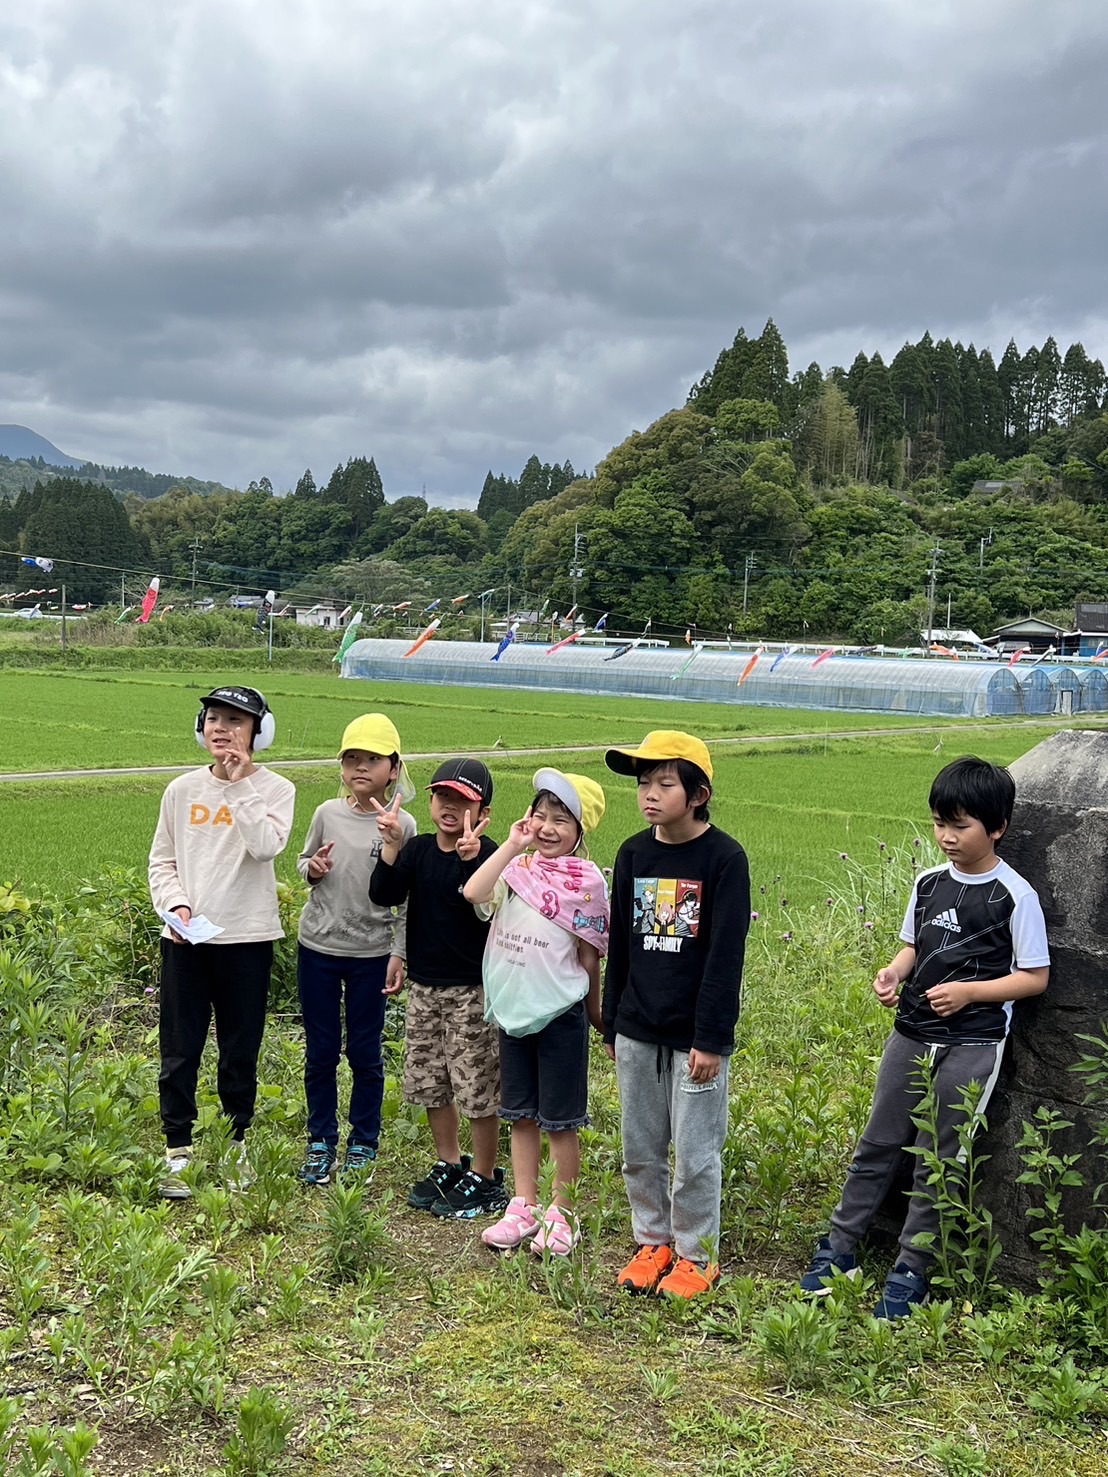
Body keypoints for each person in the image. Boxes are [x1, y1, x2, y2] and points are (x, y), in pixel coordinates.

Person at [799, 756, 1050, 1318]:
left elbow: (1034, 977)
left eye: (960, 825)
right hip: (912, 1031)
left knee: (940, 1153)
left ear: (997, 827)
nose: (946, 837)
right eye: (940, 823)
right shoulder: (928, 883)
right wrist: (893, 973)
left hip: (975, 1042)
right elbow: (914, 946)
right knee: (879, 1141)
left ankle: (912, 1267)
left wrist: (970, 993)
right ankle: (840, 1247)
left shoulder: (1015, 896)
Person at [603, 730, 750, 1298]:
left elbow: (724, 956)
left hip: (695, 1037)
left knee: (694, 1154)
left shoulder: (724, 859)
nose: (649, 794)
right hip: (638, 1027)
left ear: (698, 793)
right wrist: (613, 1020)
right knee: (639, 1146)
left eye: (665, 783)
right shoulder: (633, 853)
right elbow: (620, 941)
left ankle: (696, 1254)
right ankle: (652, 1240)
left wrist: (711, 1038)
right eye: (643, 784)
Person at [149, 685, 295, 1198]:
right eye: (213, 718)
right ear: (200, 727)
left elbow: (266, 846)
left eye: (236, 720)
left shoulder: (277, 790)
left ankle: (236, 1143)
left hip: (248, 939)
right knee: (179, 1047)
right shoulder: (180, 790)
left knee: (240, 1049)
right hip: (185, 940)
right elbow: (162, 860)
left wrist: (238, 785)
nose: (221, 728)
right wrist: (176, 907)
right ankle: (178, 1149)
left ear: (260, 732)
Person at [463, 770, 609, 1256]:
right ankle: (523, 1205)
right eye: (539, 816)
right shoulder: (516, 869)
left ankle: (561, 1214)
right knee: (521, 1114)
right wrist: (509, 844)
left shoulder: (586, 883)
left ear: (580, 831)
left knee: (559, 1120)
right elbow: (473, 893)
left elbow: (589, 955)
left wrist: (597, 1014)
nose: (546, 828)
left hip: (560, 1012)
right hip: (514, 1010)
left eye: (560, 820)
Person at [369, 758, 507, 1219]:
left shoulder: (490, 855)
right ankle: (450, 1160)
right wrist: (390, 846)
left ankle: (485, 1176)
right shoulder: (419, 849)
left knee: (477, 1085)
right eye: (442, 796)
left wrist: (475, 860)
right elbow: (384, 894)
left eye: (463, 800)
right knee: (431, 1082)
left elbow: (486, 904)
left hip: (472, 990)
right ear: (430, 801)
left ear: (483, 809)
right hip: (425, 988)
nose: (450, 807)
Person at [294, 714, 416, 1186]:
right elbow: (305, 862)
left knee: (366, 1053)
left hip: (372, 952)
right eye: (351, 759)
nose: (360, 767)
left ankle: (364, 1140)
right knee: (321, 1051)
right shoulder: (327, 812)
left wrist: (399, 951)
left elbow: (405, 897)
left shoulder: (402, 823)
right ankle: (320, 1140)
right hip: (319, 946)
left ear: (393, 767)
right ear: (341, 767)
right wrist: (314, 870)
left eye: (372, 759)